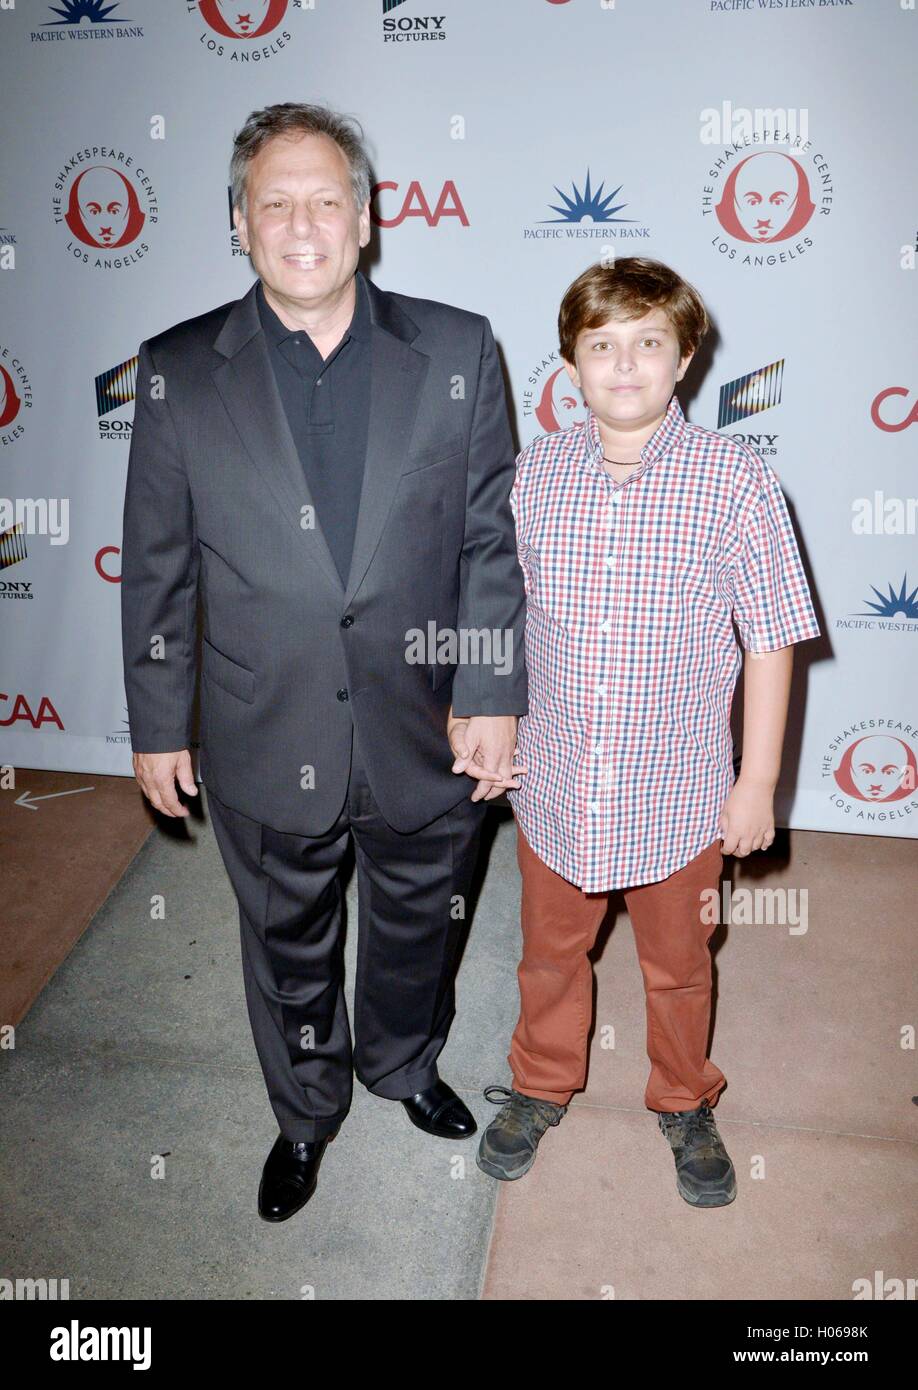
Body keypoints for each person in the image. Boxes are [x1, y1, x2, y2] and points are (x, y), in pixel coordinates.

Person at [120, 102, 526, 1222]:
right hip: (264, 722)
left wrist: (493, 690)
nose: (304, 224)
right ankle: (307, 1108)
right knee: (288, 939)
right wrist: (159, 722)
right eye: (276, 203)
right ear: (240, 225)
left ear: (367, 217)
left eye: (326, 199)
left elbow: (493, 536)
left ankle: (402, 1063)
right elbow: (157, 568)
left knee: (418, 916)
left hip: (428, 718)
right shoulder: (175, 371)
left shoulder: (457, 347)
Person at [477, 257, 820, 1207]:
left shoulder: (737, 478)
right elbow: (498, 611)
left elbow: (773, 639)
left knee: (677, 966)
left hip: (679, 795)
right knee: (549, 953)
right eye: (600, 346)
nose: (623, 365)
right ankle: (543, 1082)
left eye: (647, 344)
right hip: (557, 784)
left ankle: (683, 1096)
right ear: (569, 363)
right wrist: (486, 714)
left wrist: (757, 784)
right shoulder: (534, 473)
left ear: (685, 359)